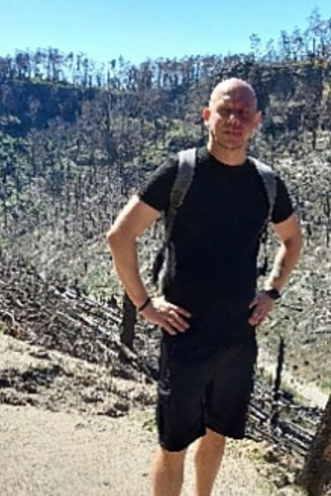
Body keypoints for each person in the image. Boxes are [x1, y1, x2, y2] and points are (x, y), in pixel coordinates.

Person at [106, 78, 302, 496]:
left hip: (237, 339)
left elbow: (293, 239)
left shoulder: (266, 183)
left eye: (243, 113)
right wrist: (144, 304)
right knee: (173, 444)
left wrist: (271, 292)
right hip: (185, 336)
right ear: (207, 115)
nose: (234, 120)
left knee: (217, 435)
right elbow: (120, 236)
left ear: (257, 121)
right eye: (226, 111)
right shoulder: (180, 172)